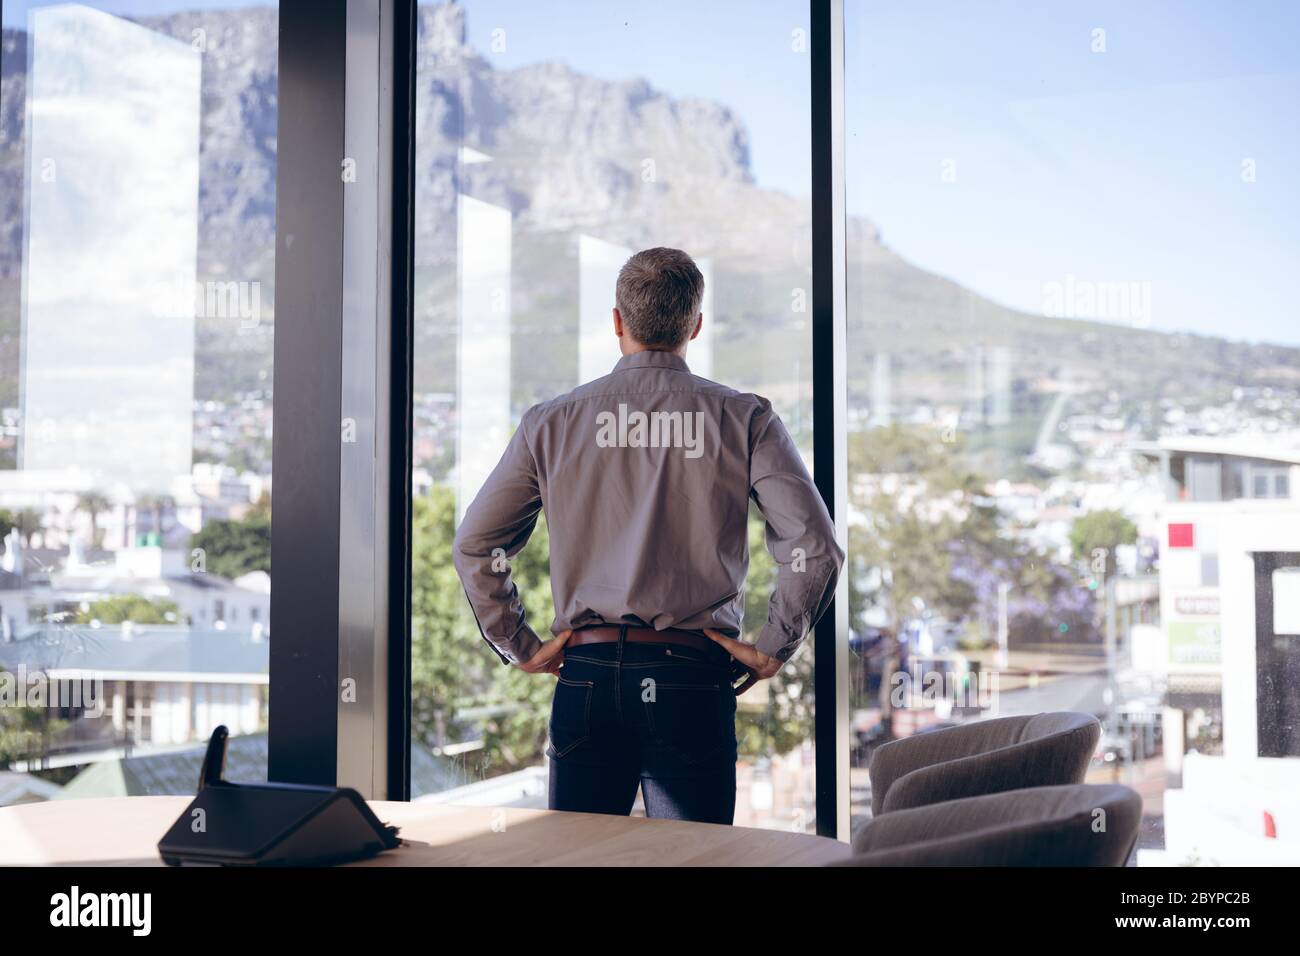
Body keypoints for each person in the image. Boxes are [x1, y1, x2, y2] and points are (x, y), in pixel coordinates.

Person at [452, 246, 843, 824]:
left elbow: (476, 545)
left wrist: (521, 644)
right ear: (696, 325)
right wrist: (773, 644)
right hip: (692, 676)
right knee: (695, 866)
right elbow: (815, 547)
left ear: (617, 322)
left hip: (585, 677)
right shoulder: (745, 417)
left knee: (581, 865)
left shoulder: (552, 421)